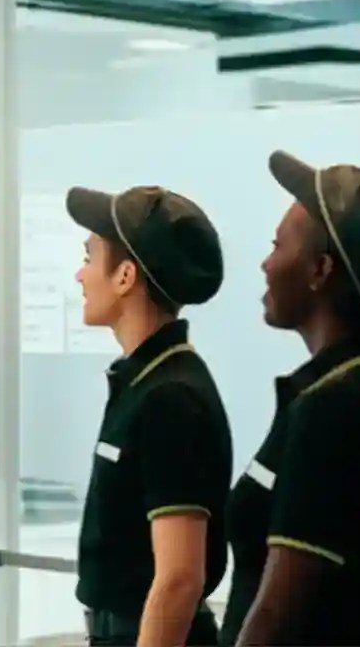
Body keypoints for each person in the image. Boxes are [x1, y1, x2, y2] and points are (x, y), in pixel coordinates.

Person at [221, 151, 360, 646]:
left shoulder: (339, 407)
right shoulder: (348, 384)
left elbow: (277, 614)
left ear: (320, 269)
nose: (265, 261)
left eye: (277, 245)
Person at [64, 186, 233, 647]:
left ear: (124, 276)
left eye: (87, 257)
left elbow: (179, 578)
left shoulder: (172, 396)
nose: (79, 275)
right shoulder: (144, 380)